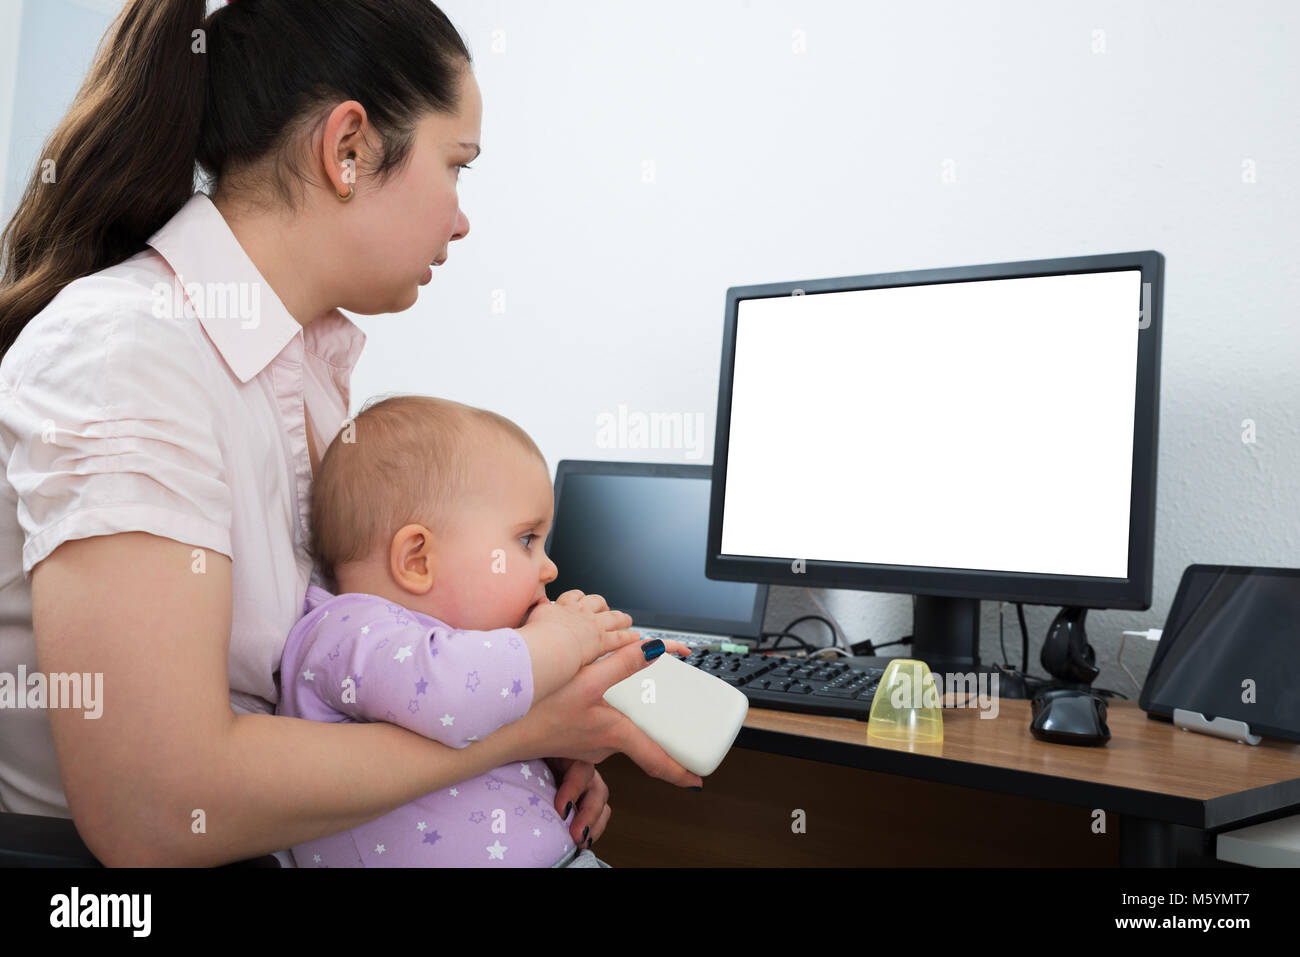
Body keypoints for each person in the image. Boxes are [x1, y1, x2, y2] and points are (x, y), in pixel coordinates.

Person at [0, 0, 703, 868]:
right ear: (349, 148)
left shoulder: (309, 383)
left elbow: (345, 678)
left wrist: (521, 754)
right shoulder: (130, 350)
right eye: (457, 166)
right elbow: (155, 807)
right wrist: (515, 723)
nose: (461, 218)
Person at [279, 394, 689, 867]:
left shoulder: (467, 650)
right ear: (417, 560)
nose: (550, 567)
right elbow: (455, 691)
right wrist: (564, 638)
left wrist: (606, 663)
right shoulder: (346, 629)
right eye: (526, 540)